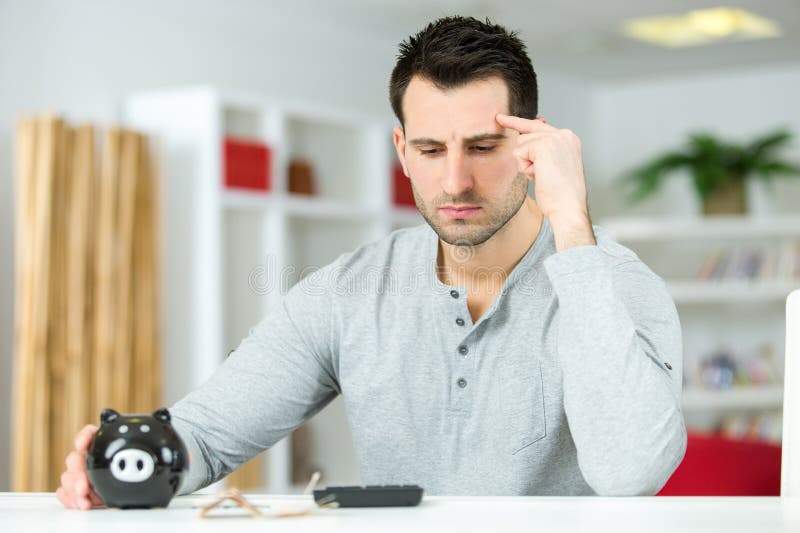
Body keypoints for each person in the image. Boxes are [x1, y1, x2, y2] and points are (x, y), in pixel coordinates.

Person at [57, 15, 686, 510]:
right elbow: (210, 434)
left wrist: (572, 223)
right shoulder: (347, 293)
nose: (454, 180)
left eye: (484, 147)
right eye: (431, 149)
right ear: (402, 150)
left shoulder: (614, 283)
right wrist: (134, 461)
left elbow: (630, 472)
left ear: (532, 143)